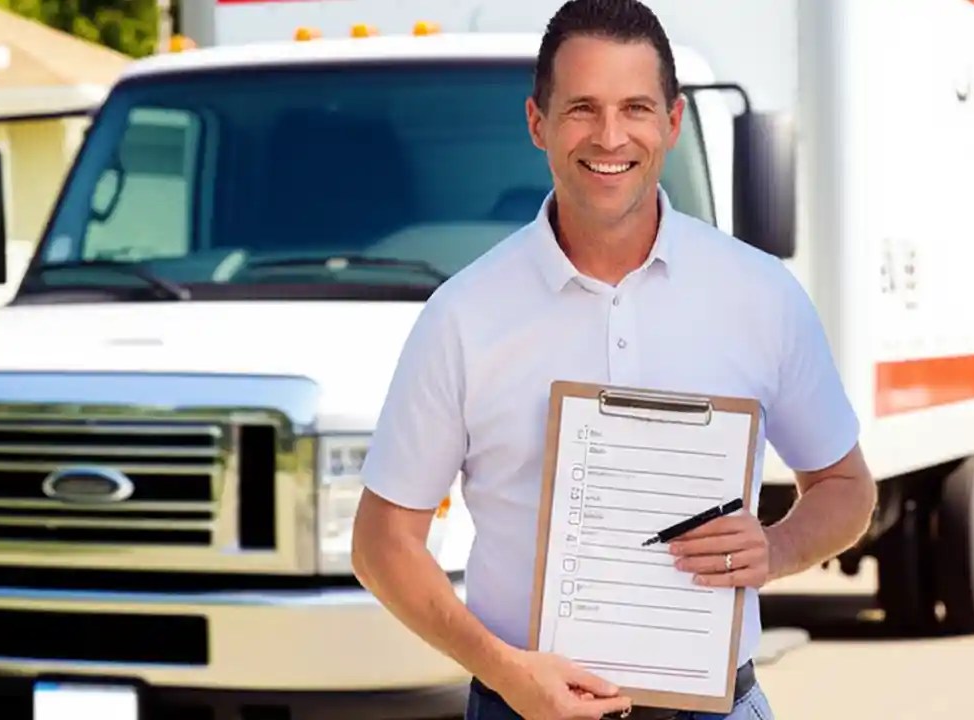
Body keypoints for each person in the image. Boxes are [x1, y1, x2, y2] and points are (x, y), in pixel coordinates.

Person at [351, 0, 876, 717]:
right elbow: (383, 544)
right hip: (521, 707)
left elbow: (847, 487)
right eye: (581, 109)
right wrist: (505, 672)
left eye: (634, 107)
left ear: (673, 121)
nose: (609, 136)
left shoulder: (761, 294)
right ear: (537, 122)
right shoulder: (463, 316)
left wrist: (777, 551)